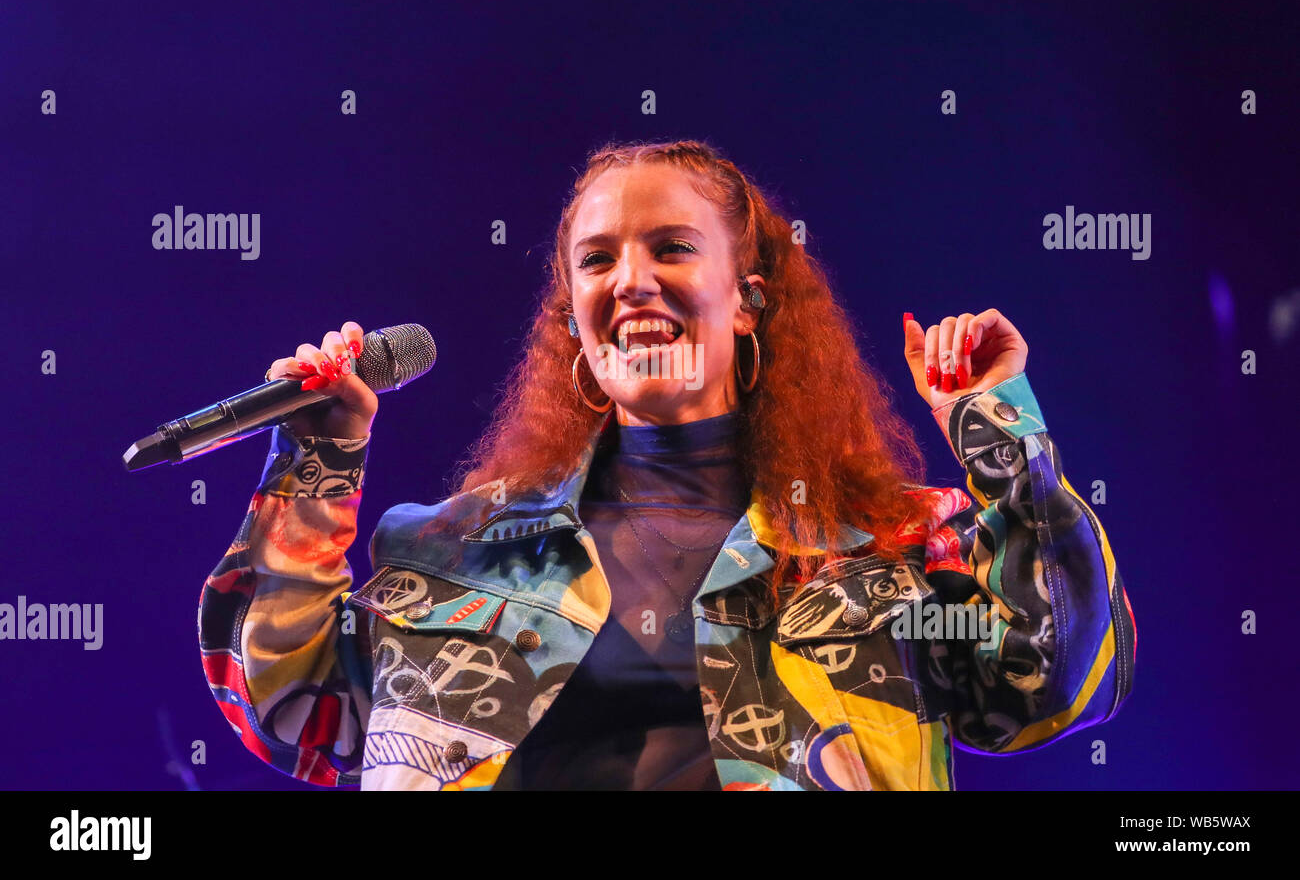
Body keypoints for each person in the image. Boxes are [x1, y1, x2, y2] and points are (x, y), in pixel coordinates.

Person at [198, 138, 1136, 790]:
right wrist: (321, 454)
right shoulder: (460, 549)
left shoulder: (891, 545)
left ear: (748, 300)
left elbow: (1058, 676)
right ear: (572, 316)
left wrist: (994, 426)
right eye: (596, 261)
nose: (632, 280)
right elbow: (288, 701)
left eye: (672, 248)